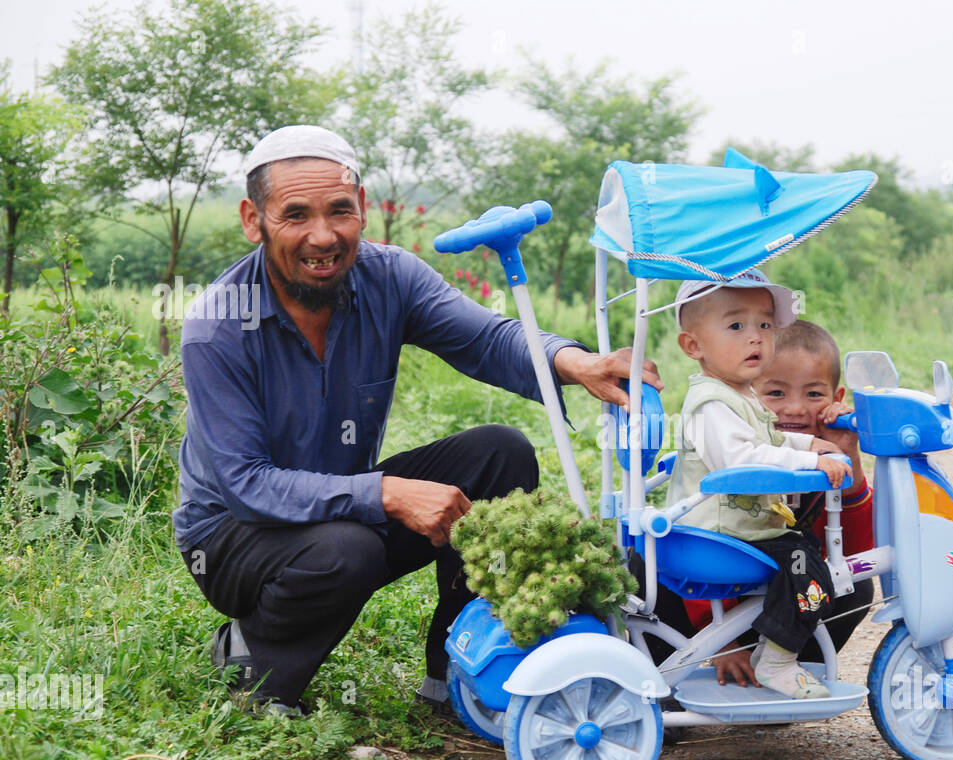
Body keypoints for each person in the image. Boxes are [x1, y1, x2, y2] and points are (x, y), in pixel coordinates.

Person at [175, 125, 659, 716]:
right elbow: (248, 485)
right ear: (254, 220)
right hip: (232, 535)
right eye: (295, 215)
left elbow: (486, 338)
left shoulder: (389, 277)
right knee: (347, 548)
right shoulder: (219, 324)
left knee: (499, 454)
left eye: (340, 211)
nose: (322, 236)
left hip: (337, 506)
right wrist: (384, 493)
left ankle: (455, 675)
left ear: (363, 210)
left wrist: (575, 362)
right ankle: (260, 670)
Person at [664, 272, 848, 699]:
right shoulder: (711, 404)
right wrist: (809, 461)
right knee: (807, 568)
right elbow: (741, 460)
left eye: (765, 326)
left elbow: (772, 441)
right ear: (693, 346)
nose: (756, 339)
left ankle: (771, 644)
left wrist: (809, 442)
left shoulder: (741, 395)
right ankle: (778, 659)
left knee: (802, 553)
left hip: (738, 530)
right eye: (736, 326)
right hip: (717, 535)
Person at [679, 319, 876, 682]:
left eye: (814, 395)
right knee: (652, 566)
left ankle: (788, 668)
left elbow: (859, 551)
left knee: (856, 583)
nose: (796, 409)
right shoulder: (732, 451)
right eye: (776, 393)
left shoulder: (821, 460)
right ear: (748, 398)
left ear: (836, 399)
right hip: (712, 598)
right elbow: (701, 531)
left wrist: (847, 453)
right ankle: (669, 691)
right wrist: (721, 644)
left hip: (790, 606)